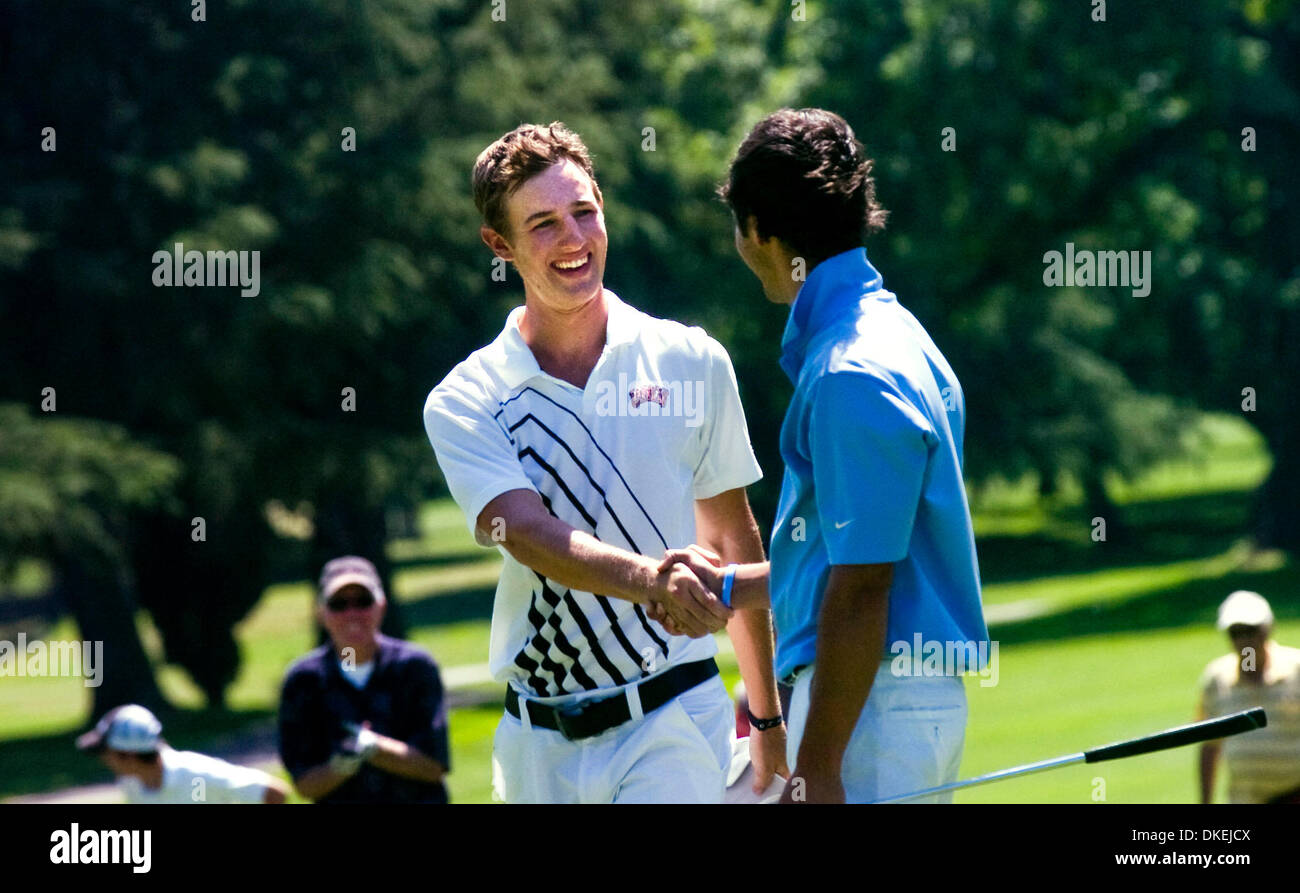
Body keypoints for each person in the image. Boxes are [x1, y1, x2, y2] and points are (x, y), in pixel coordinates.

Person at [422, 121, 787, 803]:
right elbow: (528, 533)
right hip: (535, 740)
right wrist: (654, 578)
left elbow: (731, 537)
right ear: (498, 245)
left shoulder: (691, 358)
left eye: (584, 212)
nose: (573, 239)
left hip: (674, 714)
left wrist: (763, 714)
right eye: (543, 224)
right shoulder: (465, 398)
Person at [655, 108, 990, 804]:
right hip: (888, 700)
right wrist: (733, 587)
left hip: (872, 709)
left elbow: (864, 586)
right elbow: (855, 553)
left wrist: (820, 764)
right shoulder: (895, 333)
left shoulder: (849, 373)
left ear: (759, 234)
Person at [278, 555, 450, 803]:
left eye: (363, 601)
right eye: (339, 604)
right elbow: (304, 784)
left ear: (381, 605)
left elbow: (434, 765)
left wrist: (373, 748)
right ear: (321, 613)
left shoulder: (415, 667)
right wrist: (343, 764)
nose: (352, 613)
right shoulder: (303, 681)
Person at [1198, 589, 1300, 803]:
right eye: (1236, 633)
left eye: (1250, 631)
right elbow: (1209, 745)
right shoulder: (1216, 678)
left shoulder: (1296, 668)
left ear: (1267, 629)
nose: (1244, 640)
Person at [76, 703, 289, 804]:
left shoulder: (196, 774)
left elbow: (273, 793)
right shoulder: (133, 784)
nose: (104, 760)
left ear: (129, 756)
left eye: (107, 753)